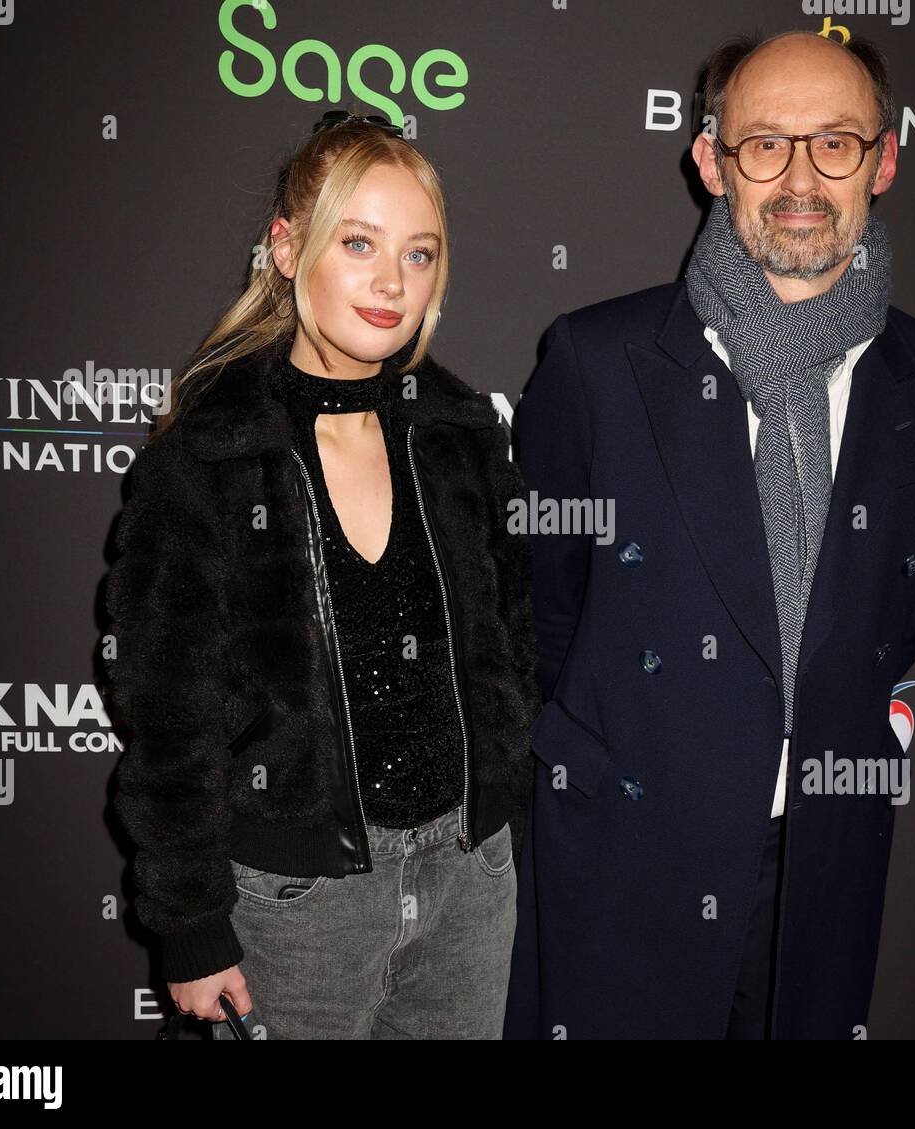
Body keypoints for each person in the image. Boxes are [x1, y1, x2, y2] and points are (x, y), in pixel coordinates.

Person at [505, 31, 915, 1039]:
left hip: (823, 865)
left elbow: (901, 613)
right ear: (710, 160)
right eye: (764, 143)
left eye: (834, 143)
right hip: (621, 857)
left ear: (885, 159)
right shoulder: (598, 361)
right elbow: (533, 614)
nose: (800, 177)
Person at [105, 110, 539, 1039]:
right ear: (286, 245)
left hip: (471, 886)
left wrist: (499, 803)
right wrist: (189, 921)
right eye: (359, 242)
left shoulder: (460, 436)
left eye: (419, 254)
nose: (392, 282)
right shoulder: (214, 454)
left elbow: (515, 638)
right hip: (292, 907)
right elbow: (166, 712)